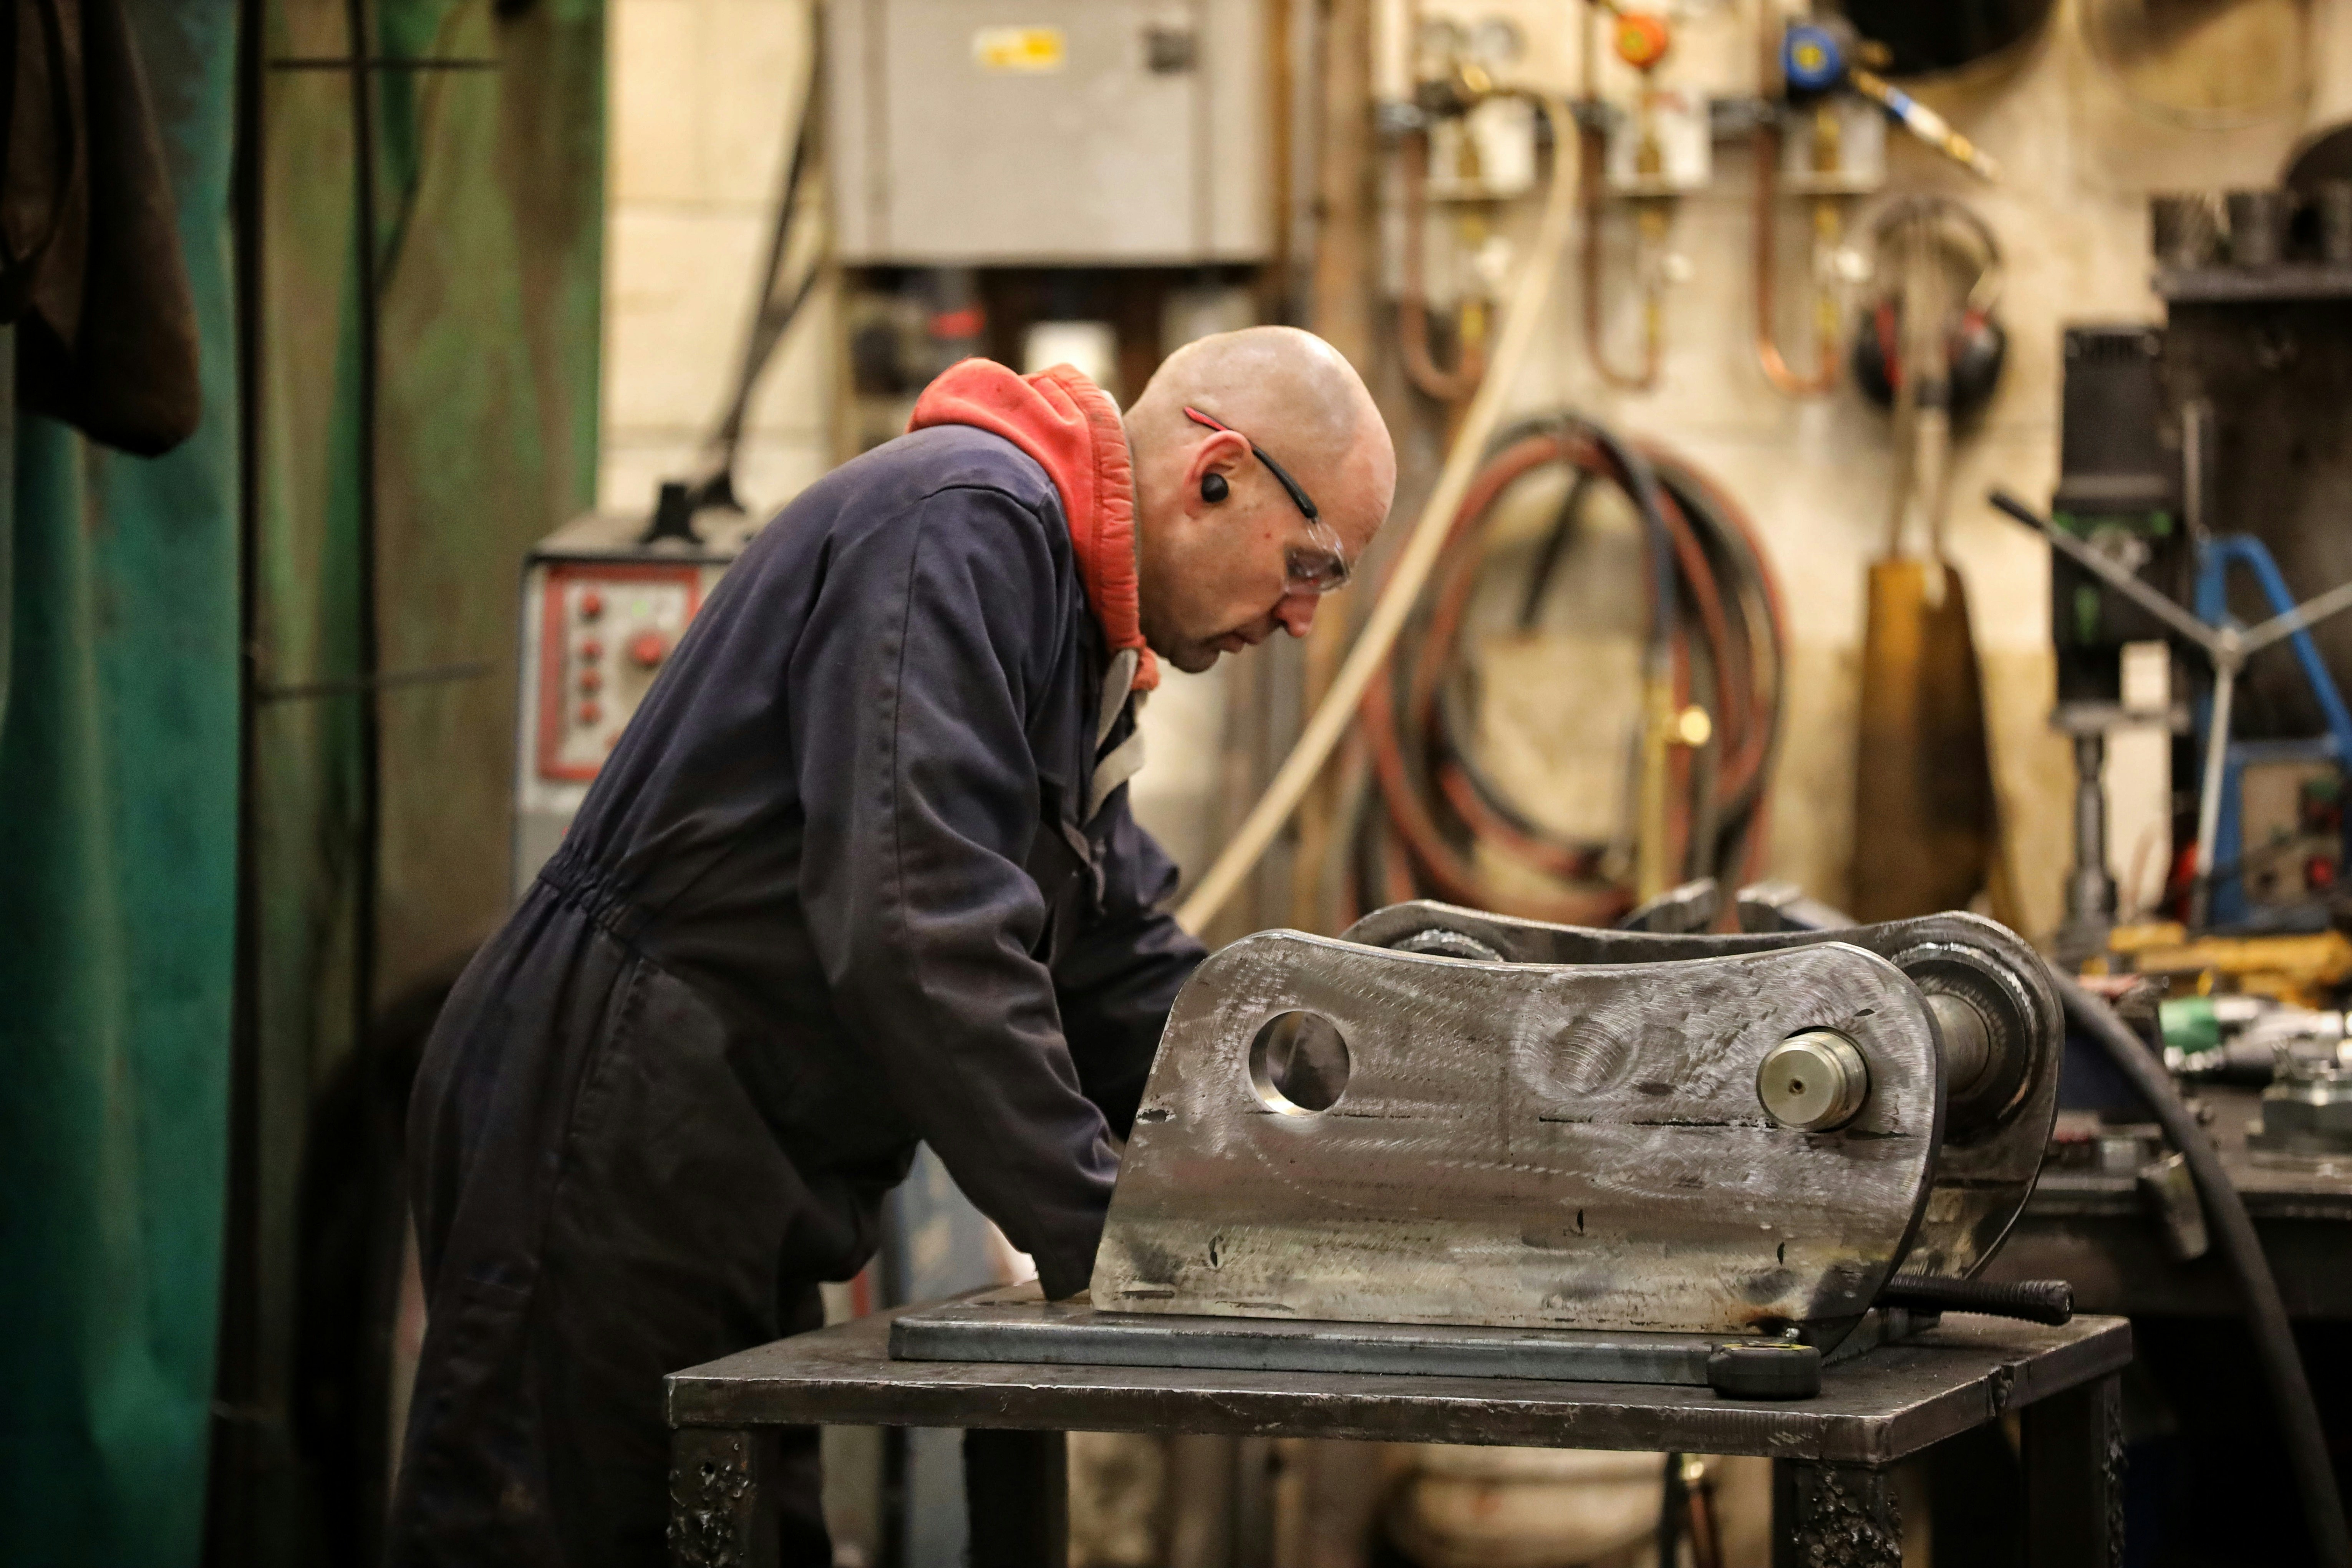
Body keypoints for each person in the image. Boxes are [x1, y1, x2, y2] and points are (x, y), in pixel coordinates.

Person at [387, 326, 1397, 1565]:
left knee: (733, 1532)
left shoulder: (1077, 633)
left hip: (722, 1153)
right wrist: (1109, 1237)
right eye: (1312, 566)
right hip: (607, 1125)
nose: (1301, 616)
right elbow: (921, 929)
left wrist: (1335, 1128)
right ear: (1219, 474)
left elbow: (1110, 962)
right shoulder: (964, 530)